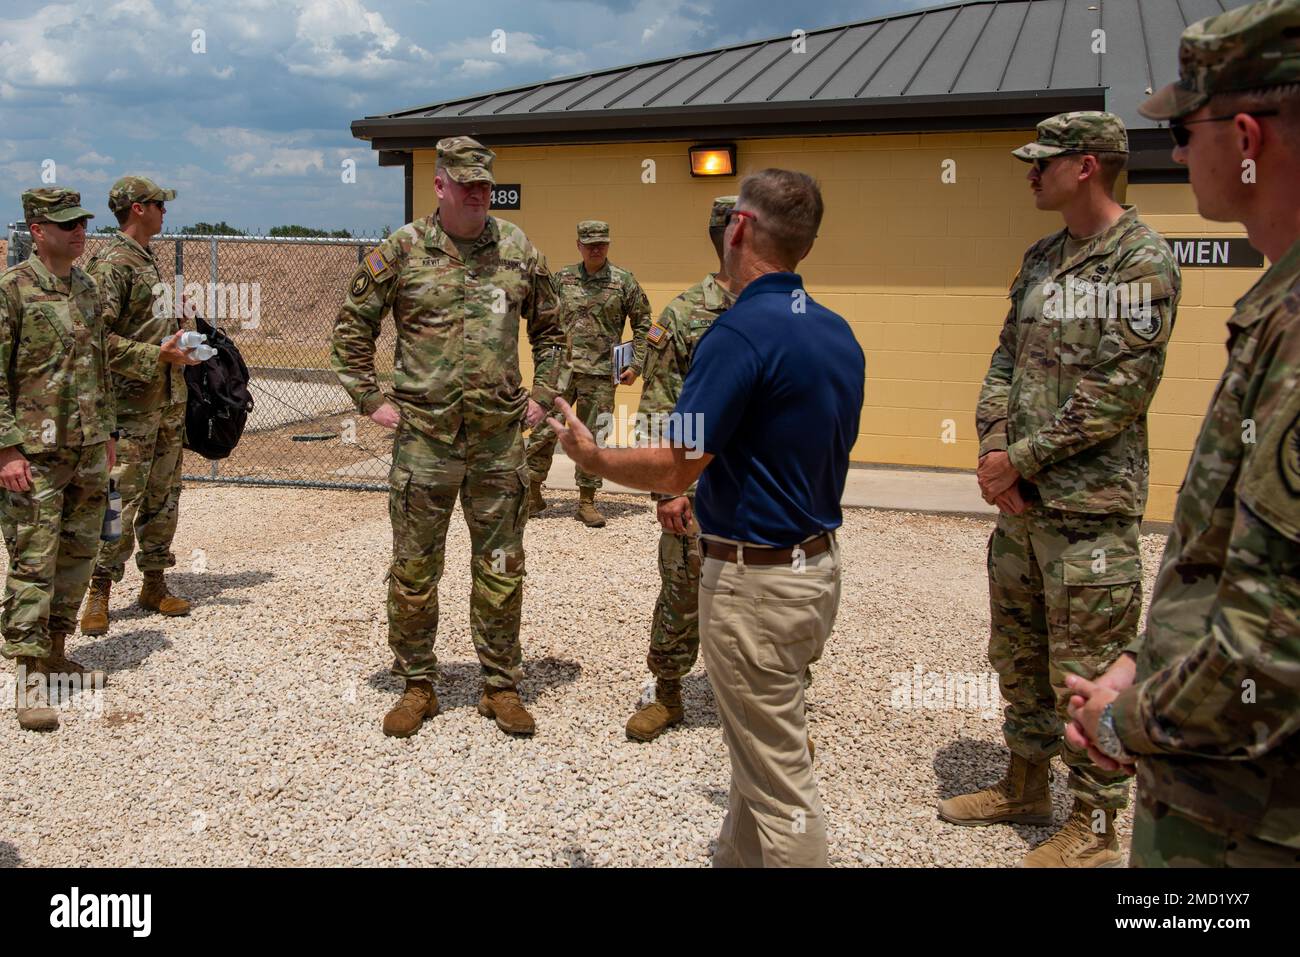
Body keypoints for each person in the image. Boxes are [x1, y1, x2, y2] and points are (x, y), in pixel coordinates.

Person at [549, 169, 864, 867]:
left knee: (782, 791)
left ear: (741, 229)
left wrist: (593, 456)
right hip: (815, 569)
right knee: (755, 769)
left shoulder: (739, 334)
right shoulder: (837, 334)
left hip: (756, 583)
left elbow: (675, 461)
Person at [1065, 0, 1300, 868]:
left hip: (1249, 818)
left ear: (1246, 136)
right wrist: (1142, 657)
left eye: (1185, 128)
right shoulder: (1276, 304)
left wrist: (1128, 720)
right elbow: (1235, 563)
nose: (1171, 150)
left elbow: (1277, 639)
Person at [939, 111, 1181, 868]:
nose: (1029, 171)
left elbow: (1120, 389)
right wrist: (991, 446)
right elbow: (1004, 360)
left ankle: (1099, 827)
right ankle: (1025, 782)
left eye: (1042, 160)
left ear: (1087, 166)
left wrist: (1025, 458)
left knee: (1086, 669)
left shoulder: (1141, 262)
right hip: (1022, 509)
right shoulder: (1043, 257)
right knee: (1019, 654)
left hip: (1088, 513)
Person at [331, 136, 569, 739]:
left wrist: (542, 397)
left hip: (496, 441)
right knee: (414, 570)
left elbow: (553, 332)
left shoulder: (517, 249)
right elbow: (352, 328)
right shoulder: (404, 249)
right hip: (425, 441)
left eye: (484, 184)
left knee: (500, 565)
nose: (476, 194)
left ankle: (500, 686)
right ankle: (417, 684)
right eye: (465, 184)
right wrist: (370, 401)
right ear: (439, 185)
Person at [0, 189, 120, 730]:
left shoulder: (88, 287)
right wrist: (6, 447)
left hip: (88, 448)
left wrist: (109, 431)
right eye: (67, 224)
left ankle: (53, 651)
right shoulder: (13, 290)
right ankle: (27, 677)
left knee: (77, 554)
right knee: (32, 560)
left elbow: (100, 366)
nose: (79, 232)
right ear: (37, 227)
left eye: (83, 223)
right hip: (35, 453)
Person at [625, 196, 736, 742]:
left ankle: (772, 712)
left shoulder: (788, 308)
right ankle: (667, 693)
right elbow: (657, 409)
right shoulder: (687, 313)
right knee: (681, 587)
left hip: (760, 490)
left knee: (762, 598)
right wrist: (665, 492)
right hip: (695, 487)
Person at [80, 176, 201, 636]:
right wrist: (157, 355)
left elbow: (143, 326)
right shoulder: (113, 263)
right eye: (157, 204)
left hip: (167, 402)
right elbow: (94, 339)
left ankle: (154, 581)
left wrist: (177, 322)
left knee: (163, 494)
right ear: (136, 208)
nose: (164, 211)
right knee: (118, 500)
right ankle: (99, 592)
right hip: (130, 410)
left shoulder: (147, 259)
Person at [524, 220, 651, 527]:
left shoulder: (623, 281)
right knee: (544, 430)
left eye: (602, 243)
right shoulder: (562, 279)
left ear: (608, 244)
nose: (596, 248)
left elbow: (644, 323)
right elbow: (543, 318)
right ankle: (532, 493)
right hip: (561, 373)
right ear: (578, 245)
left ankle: (586, 501)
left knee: (594, 436)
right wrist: (544, 360)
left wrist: (635, 365)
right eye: (589, 243)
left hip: (601, 374)